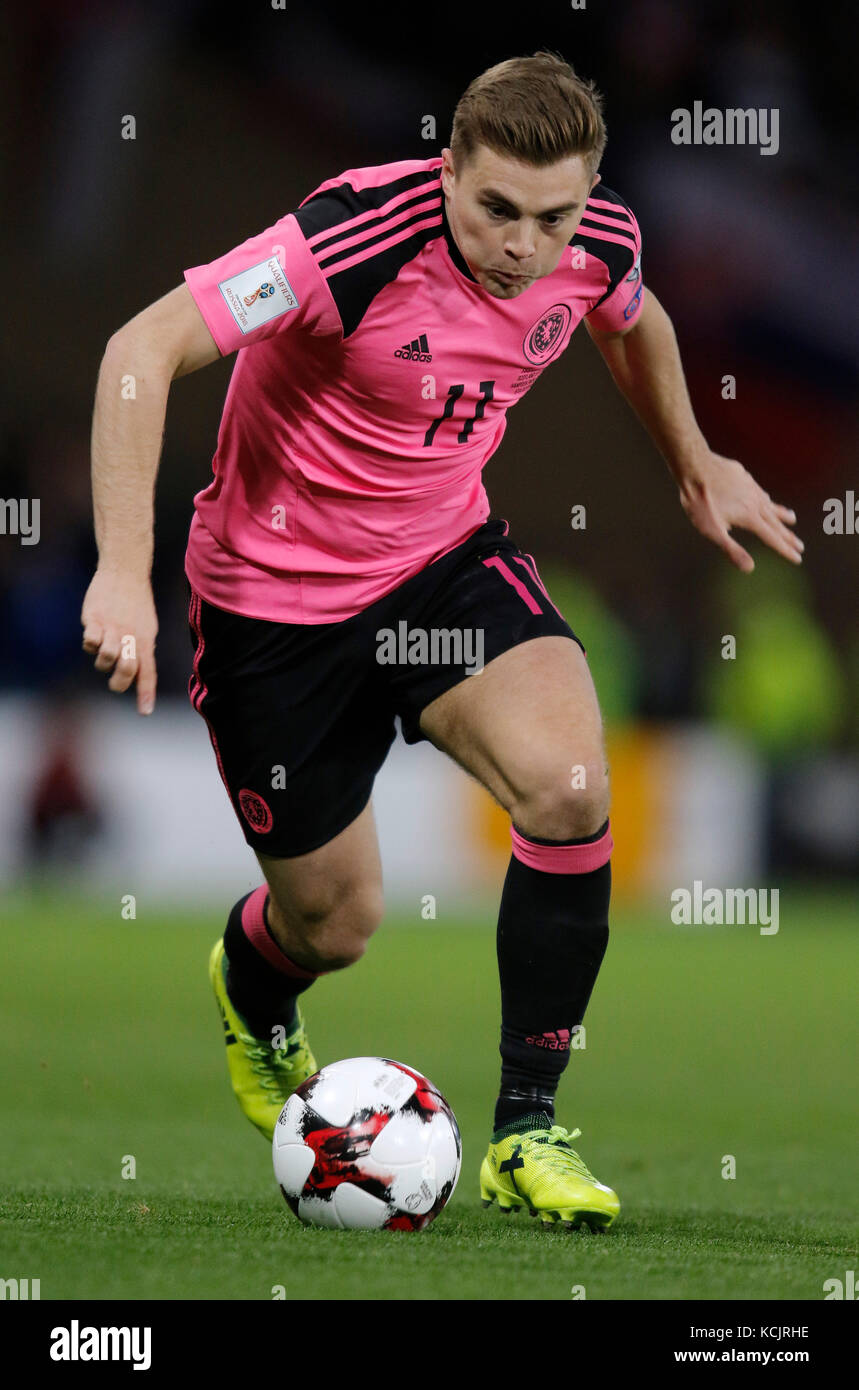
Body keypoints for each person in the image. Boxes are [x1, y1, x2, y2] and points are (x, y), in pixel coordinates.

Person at [82, 51, 803, 1231]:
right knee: (338, 923)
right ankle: (255, 990)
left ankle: (527, 1130)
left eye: (552, 215)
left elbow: (633, 317)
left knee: (573, 789)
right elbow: (138, 352)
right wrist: (121, 570)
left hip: (438, 570)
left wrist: (695, 462)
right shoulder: (347, 242)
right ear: (450, 167)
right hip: (273, 609)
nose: (524, 244)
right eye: (496, 209)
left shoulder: (596, 238)